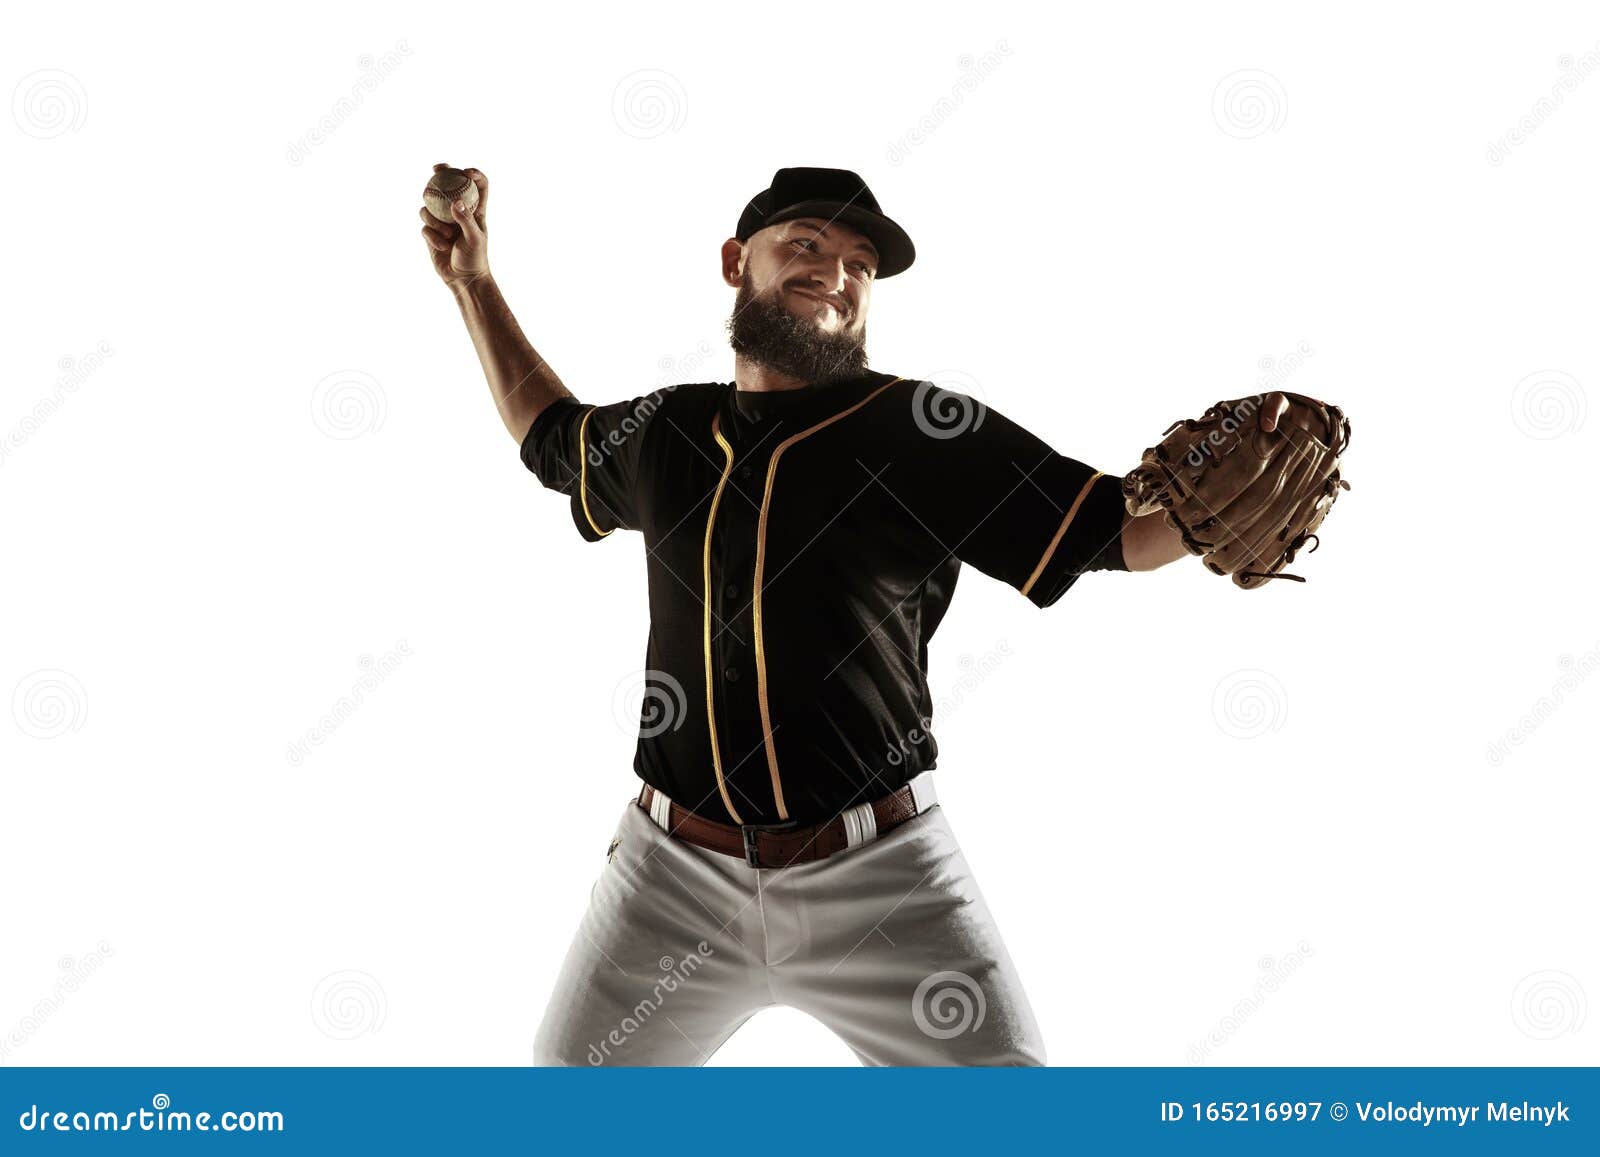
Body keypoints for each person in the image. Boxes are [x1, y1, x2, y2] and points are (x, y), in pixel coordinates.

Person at [420, 164, 1291, 1066]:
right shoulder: (666, 432)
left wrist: (1207, 510)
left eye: (860, 262)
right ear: (734, 261)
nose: (835, 271)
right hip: (671, 873)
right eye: (806, 244)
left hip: (882, 875)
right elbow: (550, 436)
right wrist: (474, 285)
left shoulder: (922, 428)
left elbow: (1112, 530)